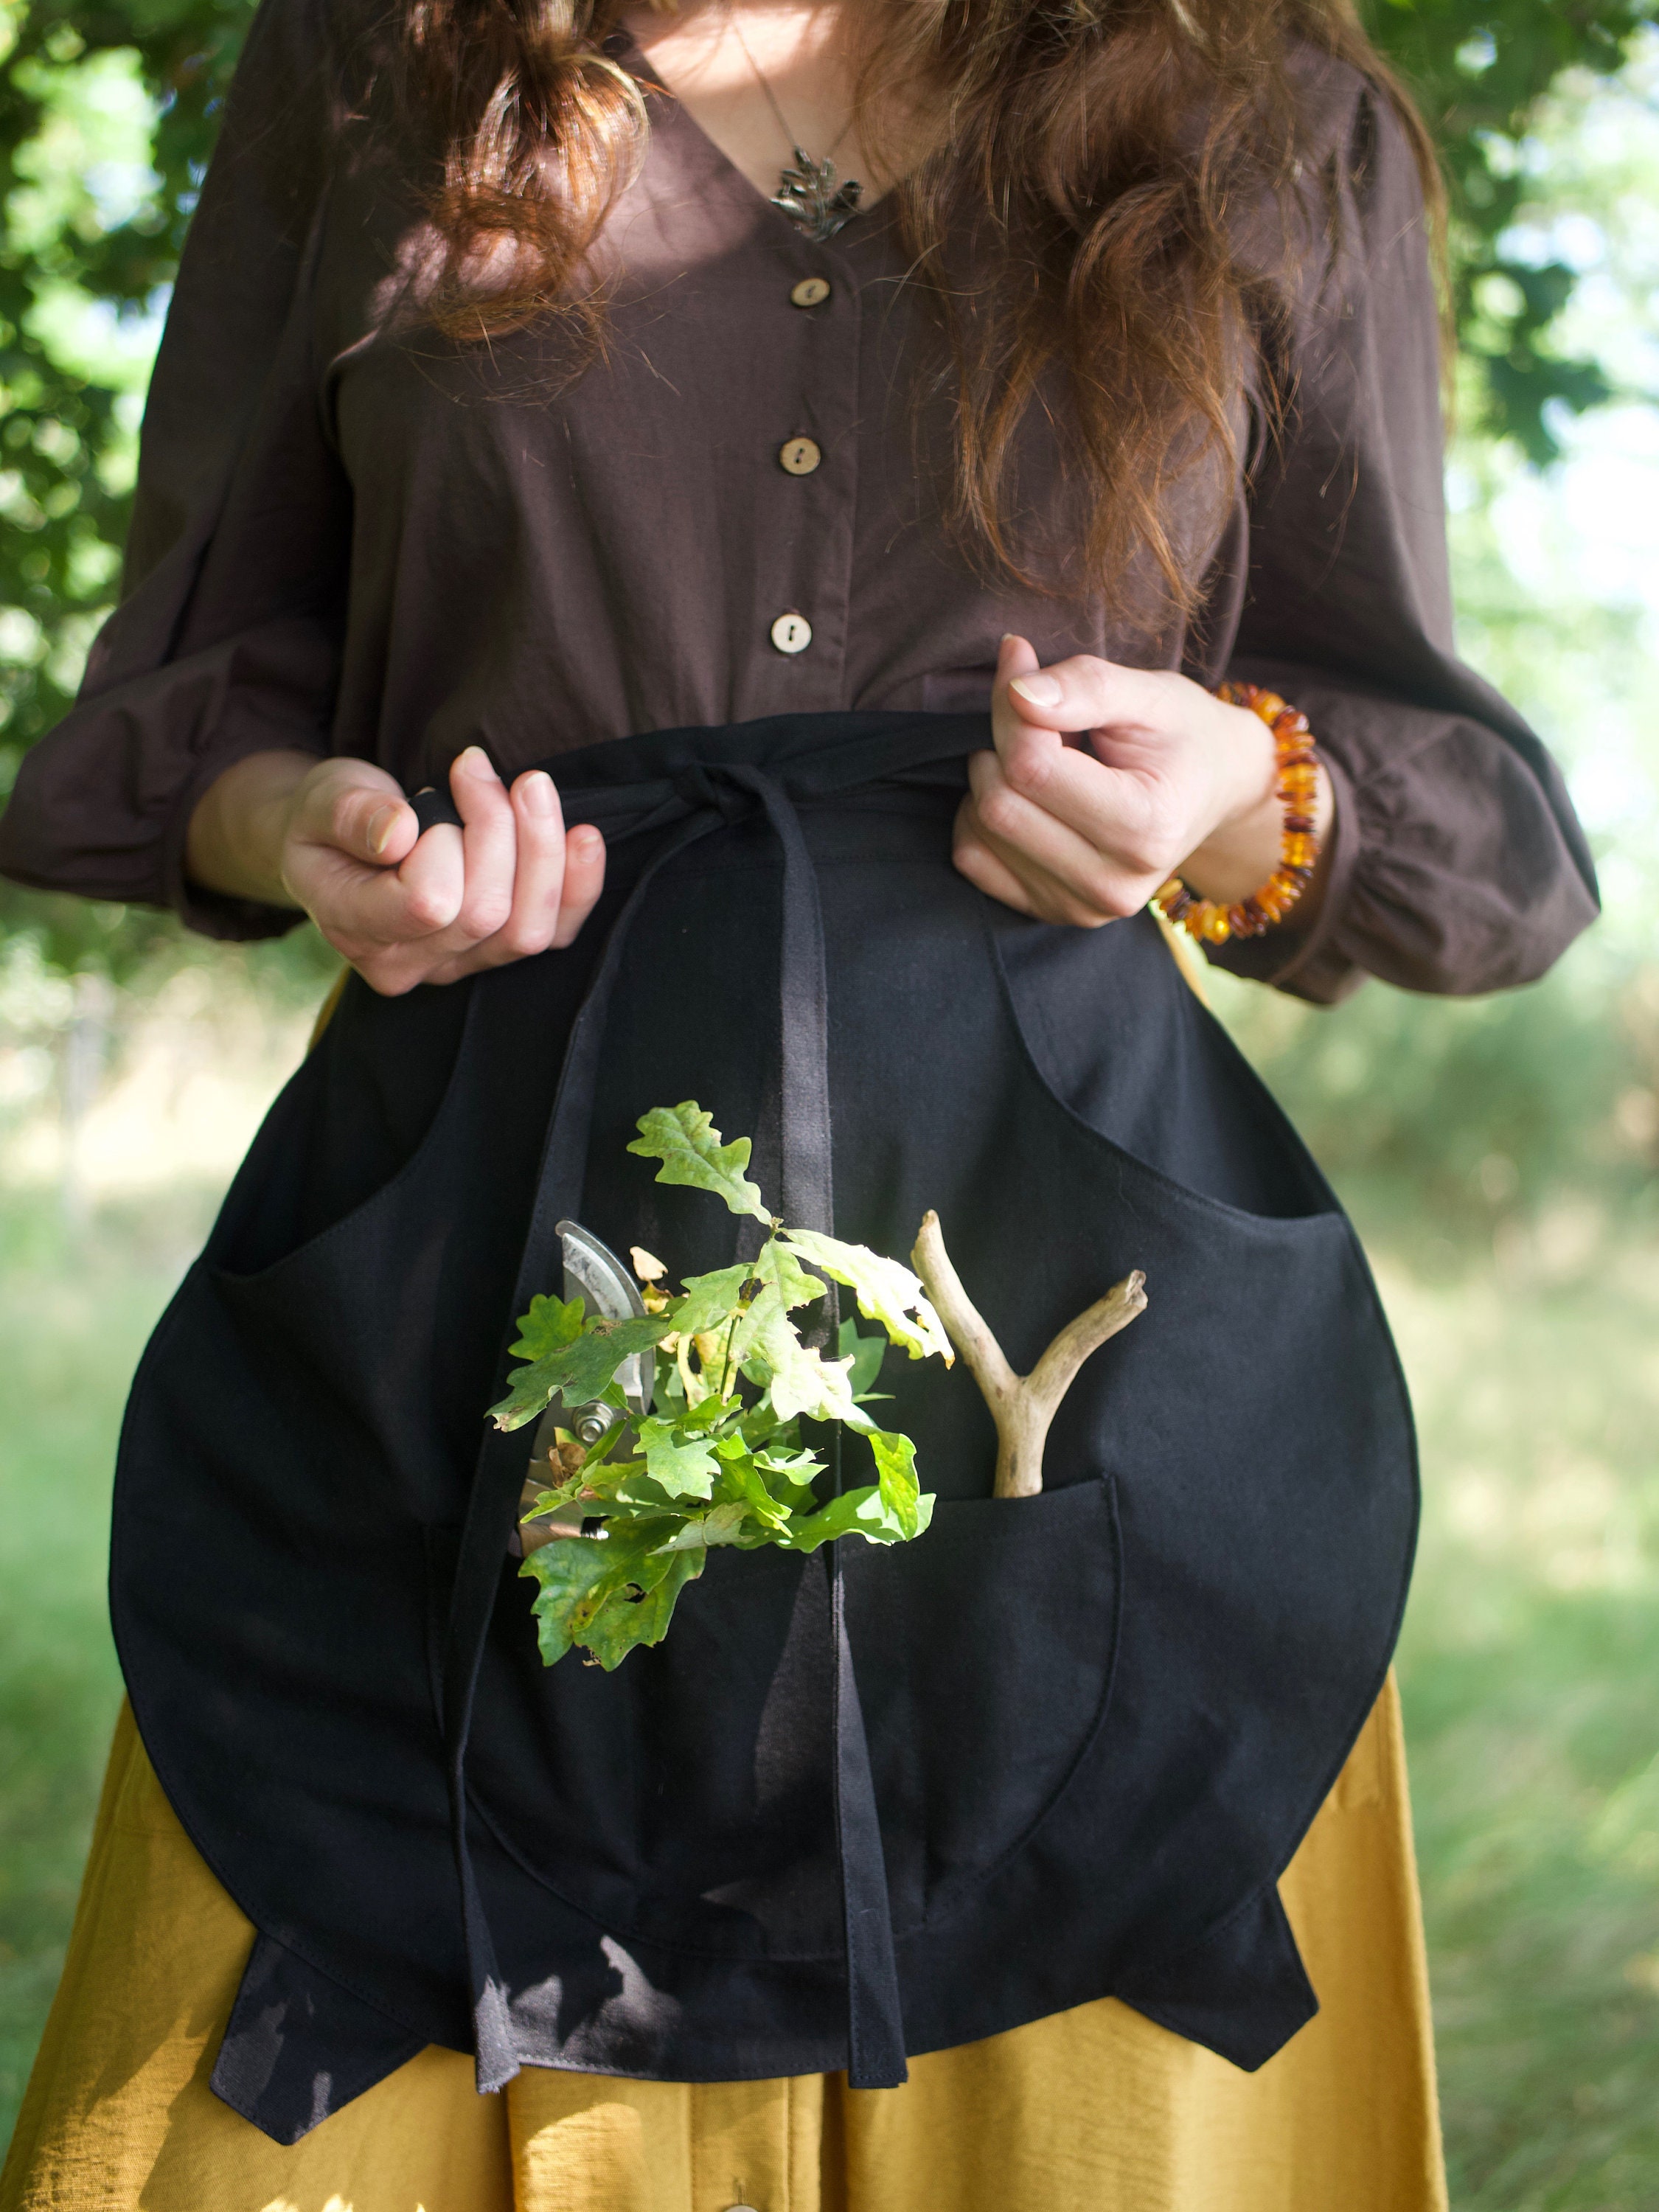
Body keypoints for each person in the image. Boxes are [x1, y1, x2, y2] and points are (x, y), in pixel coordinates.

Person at [0, 0, 1596, 2202]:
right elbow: (189, 702)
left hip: (1072, 1385)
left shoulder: (1270, 123)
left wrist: (1245, 786)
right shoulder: (374, 72)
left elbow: (1485, 839)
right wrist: (305, 821)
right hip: (458, 1316)